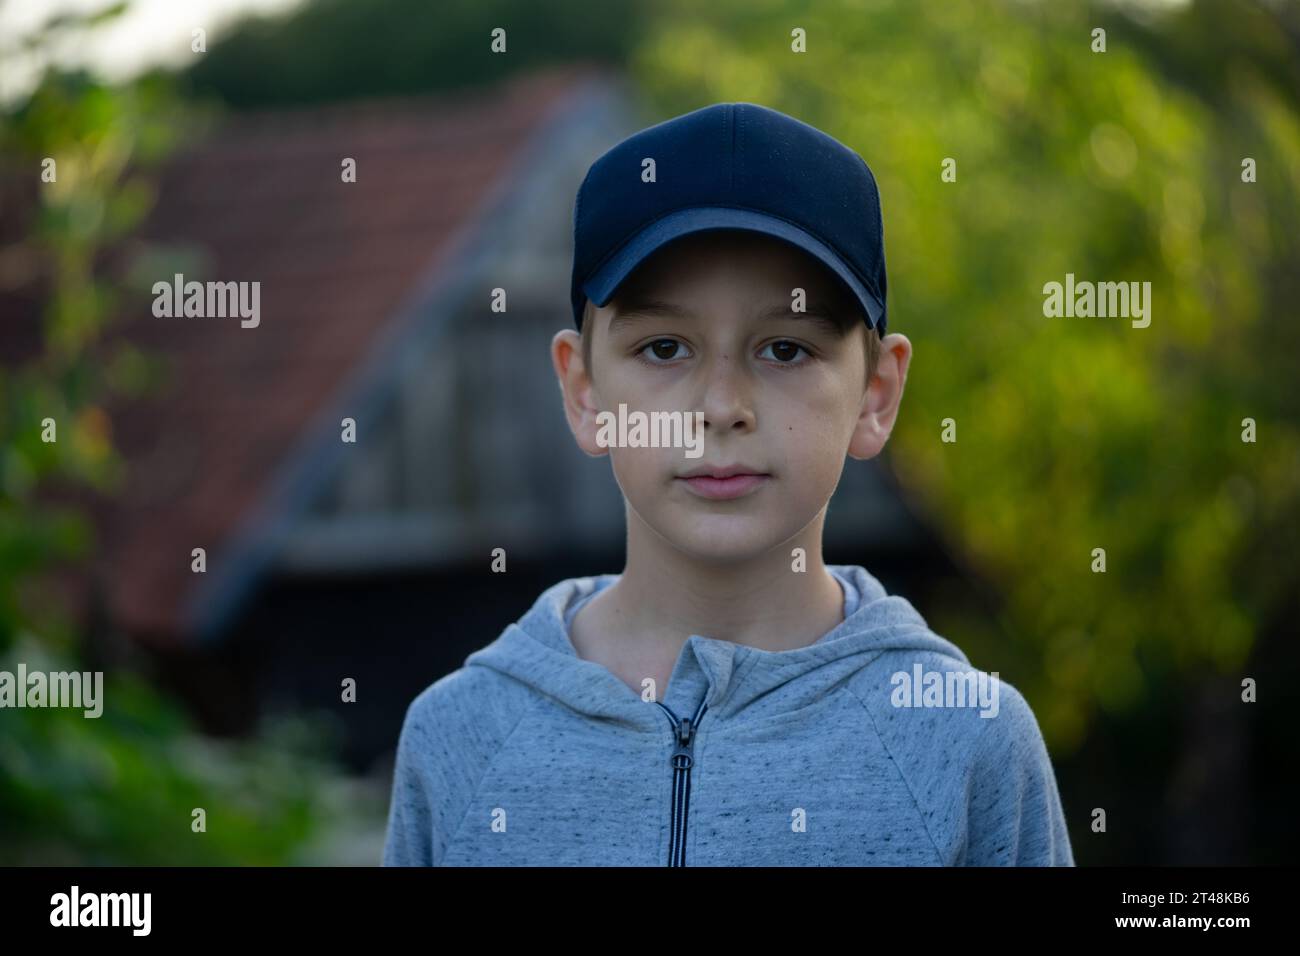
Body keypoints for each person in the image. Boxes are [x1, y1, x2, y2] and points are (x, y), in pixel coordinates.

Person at [383, 102, 1074, 866]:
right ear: (584, 393)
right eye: (664, 346)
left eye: (784, 348)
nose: (721, 408)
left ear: (876, 394)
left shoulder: (970, 739)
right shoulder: (458, 736)